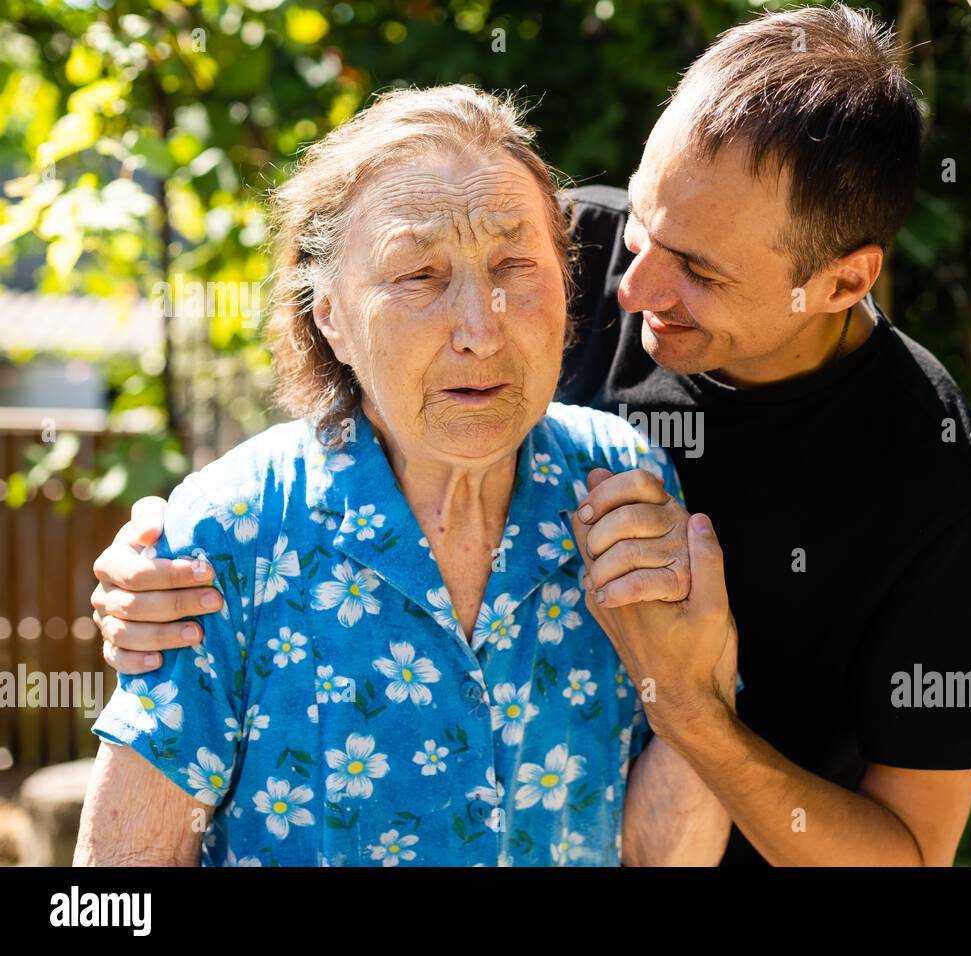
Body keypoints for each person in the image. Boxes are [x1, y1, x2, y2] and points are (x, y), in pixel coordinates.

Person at [91, 4, 971, 867]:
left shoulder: (934, 479)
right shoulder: (556, 247)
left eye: (695, 270)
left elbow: (910, 853)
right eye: (644, 226)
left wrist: (693, 707)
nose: (628, 286)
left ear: (845, 283)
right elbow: (365, 352)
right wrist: (183, 560)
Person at [74, 85, 732, 867]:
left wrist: (704, 674)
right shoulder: (233, 531)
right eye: (419, 275)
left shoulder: (621, 488)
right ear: (332, 317)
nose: (480, 330)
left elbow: (661, 854)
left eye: (515, 263)